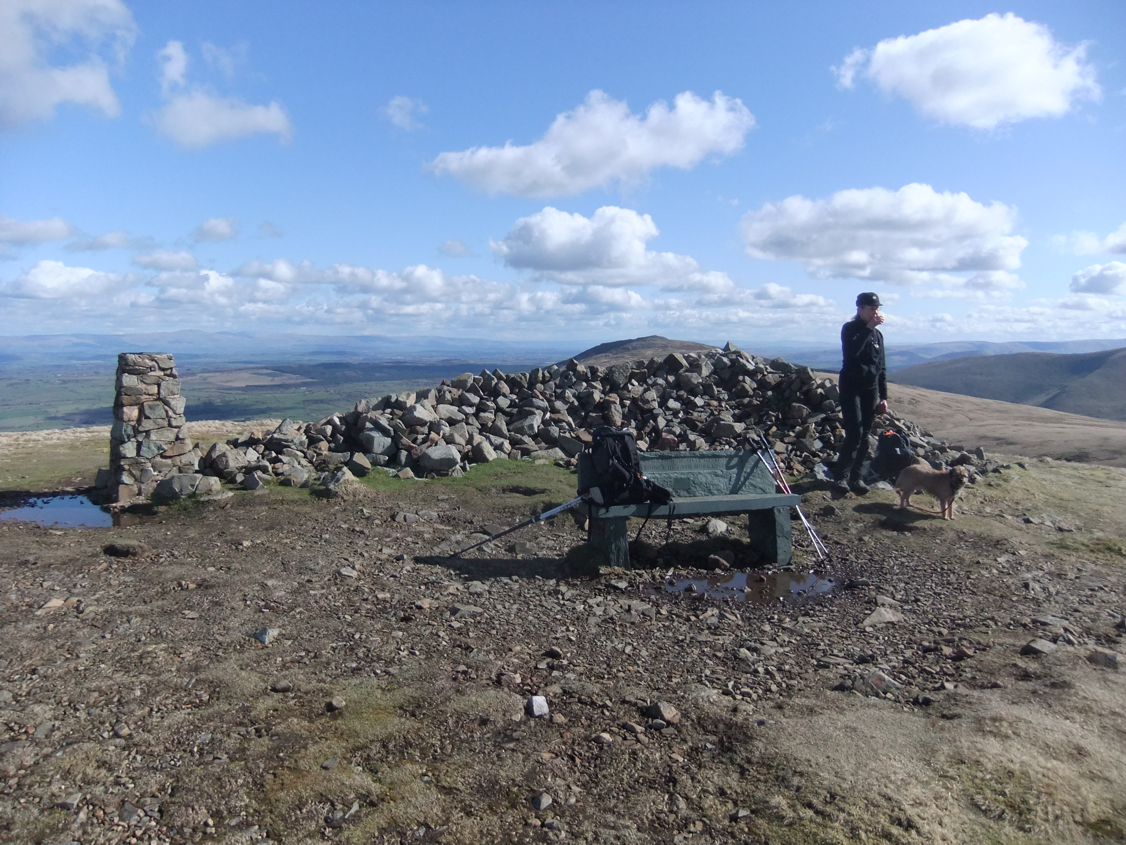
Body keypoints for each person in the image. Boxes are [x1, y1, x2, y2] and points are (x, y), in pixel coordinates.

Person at [831, 292, 888, 494]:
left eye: (877, 308)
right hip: (851, 387)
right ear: (860, 309)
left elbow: (881, 367)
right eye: (872, 309)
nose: (876, 312)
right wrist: (869, 327)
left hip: (870, 389)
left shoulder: (878, 336)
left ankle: (857, 478)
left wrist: (884, 397)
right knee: (854, 433)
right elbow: (852, 352)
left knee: (865, 436)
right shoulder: (850, 329)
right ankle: (840, 478)